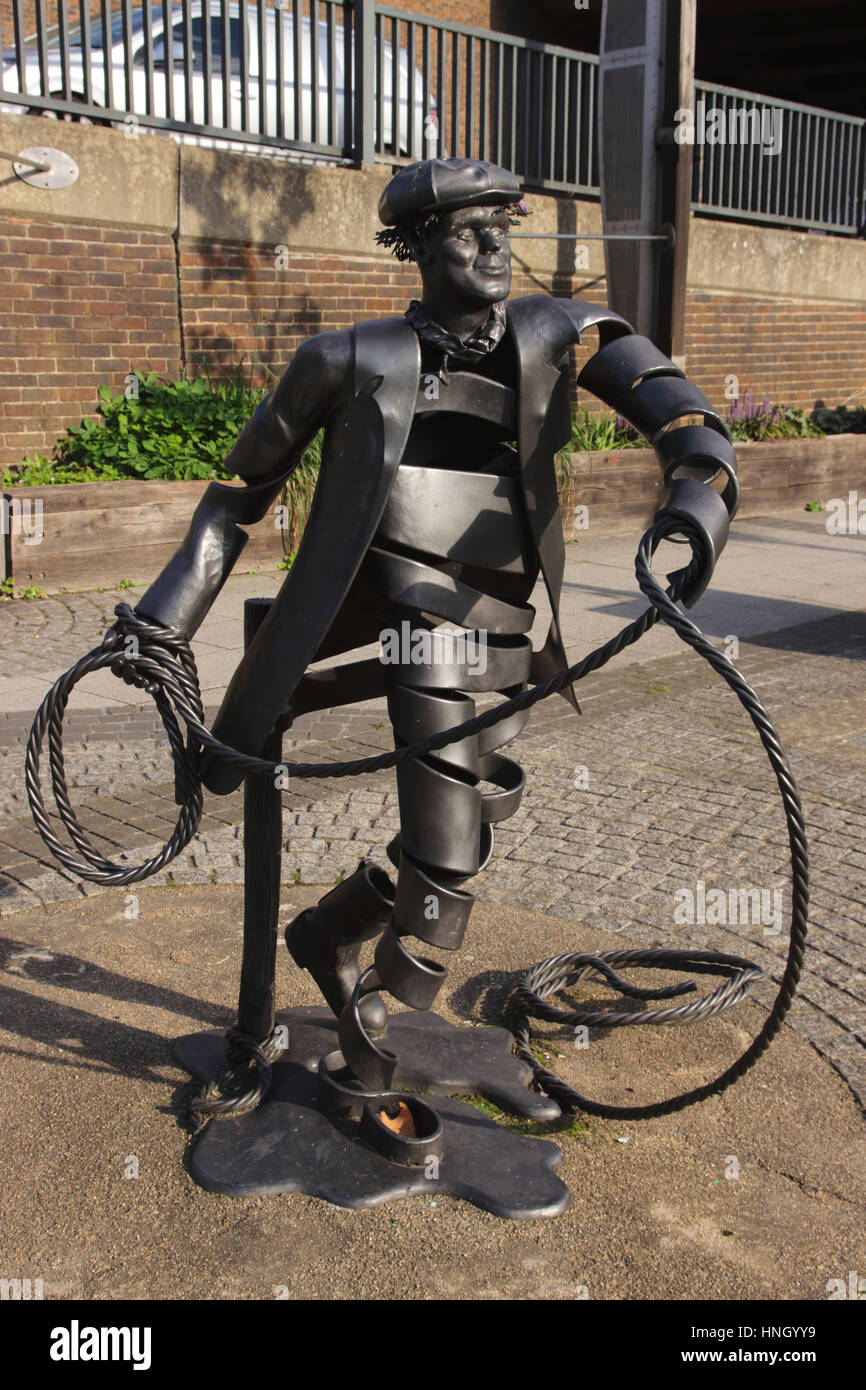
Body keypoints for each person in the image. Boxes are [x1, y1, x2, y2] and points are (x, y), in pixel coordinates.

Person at [134, 157, 736, 1099]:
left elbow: (685, 414)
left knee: (463, 827)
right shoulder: (344, 359)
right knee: (450, 852)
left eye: (505, 225)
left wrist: (697, 501)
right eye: (468, 230)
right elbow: (234, 499)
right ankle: (363, 1008)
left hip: (512, 622)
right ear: (414, 246)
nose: (496, 246)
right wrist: (161, 623)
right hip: (411, 616)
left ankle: (330, 935)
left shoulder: (557, 330)